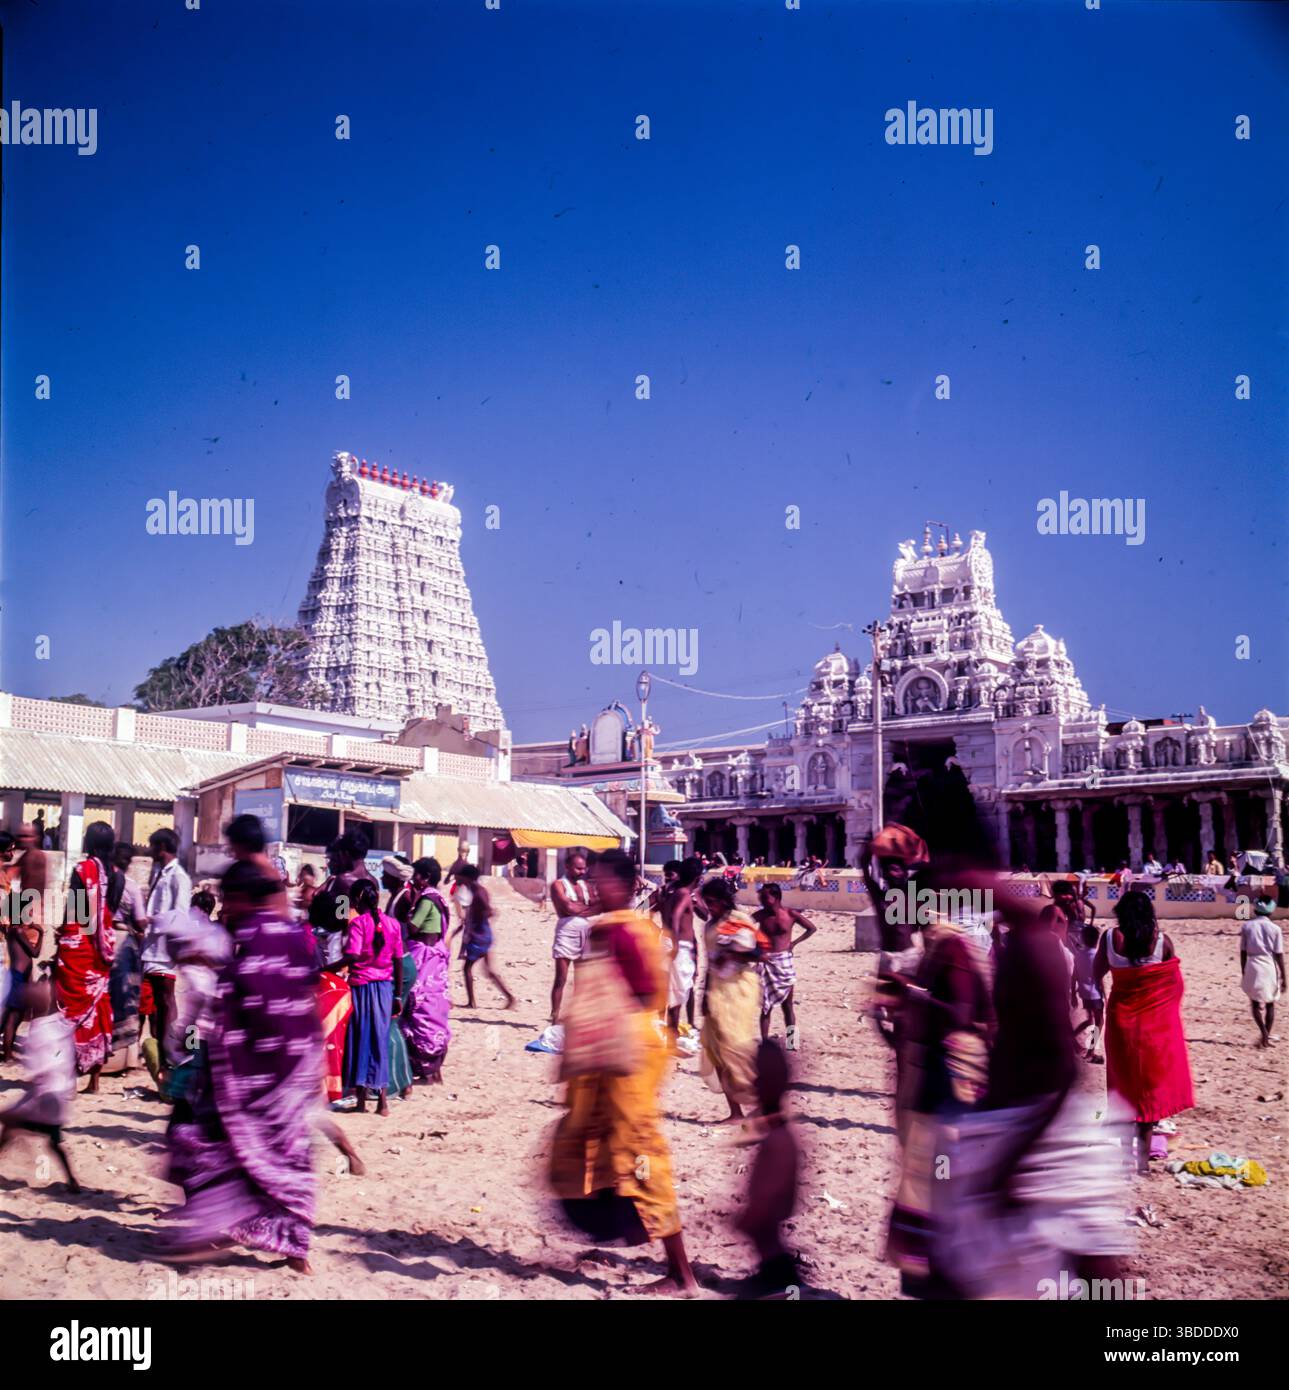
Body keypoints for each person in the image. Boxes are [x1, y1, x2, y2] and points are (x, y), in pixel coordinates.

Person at [548, 848, 699, 1296]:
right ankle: (626, 1232)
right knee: (599, 1145)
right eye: (591, 879)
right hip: (607, 1054)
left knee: (642, 1155)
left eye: (600, 880)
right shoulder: (608, 929)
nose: (594, 887)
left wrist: (605, 1029)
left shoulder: (626, 931)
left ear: (627, 884)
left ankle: (682, 1275)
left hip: (627, 1056)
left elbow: (650, 992)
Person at [161, 861, 322, 1272]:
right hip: (295, 1064)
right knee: (287, 1158)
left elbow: (242, 998)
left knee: (225, 1150)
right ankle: (294, 1247)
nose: (224, 909)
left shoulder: (248, 935)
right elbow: (302, 985)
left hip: (258, 1070)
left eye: (227, 901)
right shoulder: (285, 930)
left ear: (239, 898)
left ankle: (206, 1234)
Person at [884, 877, 994, 1298]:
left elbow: (960, 1013)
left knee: (934, 1188)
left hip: (950, 1085)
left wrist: (911, 994)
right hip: (933, 1080)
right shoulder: (932, 946)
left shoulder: (951, 946)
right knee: (925, 1186)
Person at [1094, 889, 1195, 1173]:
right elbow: (1175, 987)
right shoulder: (1162, 942)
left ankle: (1126, 1158)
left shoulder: (1110, 938)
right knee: (1148, 1092)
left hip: (1120, 1023)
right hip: (1154, 1028)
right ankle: (1142, 1165)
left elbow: (1094, 974)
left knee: (1123, 1089)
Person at [733, 1039, 801, 1299]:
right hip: (771, 1262)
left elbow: (762, 1210)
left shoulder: (778, 1143)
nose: (755, 1083)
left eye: (761, 1076)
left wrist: (741, 1219)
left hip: (775, 1269)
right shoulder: (777, 1134)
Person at [0, 977, 81, 1193]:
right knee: (54, 1142)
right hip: (59, 1097)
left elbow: (37, 1070)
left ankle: (71, 1180)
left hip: (43, 1099)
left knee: (9, 1123)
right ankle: (72, 1180)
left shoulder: (37, 1031)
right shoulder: (58, 1023)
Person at [54, 821, 118, 1093]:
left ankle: (69, 1078)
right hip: (103, 948)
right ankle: (94, 1081)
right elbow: (109, 912)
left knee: (70, 1009)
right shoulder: (116, 874)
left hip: (79, 948)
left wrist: (63, 936)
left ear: (88, 842)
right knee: (99, 1006)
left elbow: (78, 912)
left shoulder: (82, 870)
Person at [697, 876, 767, 1121]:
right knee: (715, 1049)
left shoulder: (739, 921)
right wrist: (704, 995)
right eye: (707, 902)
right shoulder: (709, 925)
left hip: (738, 990)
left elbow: (758, 954)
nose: (709, 907)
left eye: (713, 902)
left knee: (736, 1048)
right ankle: (735, 1111)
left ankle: (762, 1101)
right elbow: (709, 962)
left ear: (725, 901)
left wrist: (731, 953)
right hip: (716, 990)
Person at [340, 878, 404, 1115]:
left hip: (361, 983)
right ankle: (382, 1100)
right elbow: (398, 959)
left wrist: (327, 968)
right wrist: (397, 994)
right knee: (379, 1040)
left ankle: (360, 1099)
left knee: (359, 1039)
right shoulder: (393, 924)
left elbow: (351, 952)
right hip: (384, 987)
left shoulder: (354, 917)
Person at [141, 827, 191, 1070]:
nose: (149, 851)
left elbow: (179, 915)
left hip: (163, 947)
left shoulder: (178, 876)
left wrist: (151, 921)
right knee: (157, 1004)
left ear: (161, 848)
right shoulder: (159, 873)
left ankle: (171, 1056)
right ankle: (162, 1055)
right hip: (151, 946)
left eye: (152, 846)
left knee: (166, 1001)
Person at [401, 858, 452, 1083]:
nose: (414, 879)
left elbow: (412, 927)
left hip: (424, 956)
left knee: (418, 1005)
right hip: (433, 956)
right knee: (429, 1007)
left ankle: (424, 1066)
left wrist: (405, 915)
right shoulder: (439, 898)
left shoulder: (425, 900)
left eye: (417, 875)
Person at [752, 882, 816, 1046]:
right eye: (761, 897)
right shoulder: (760, 916)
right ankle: (765, 1045)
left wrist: (794, 943)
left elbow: (811, 928)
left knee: (787, 1006)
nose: (762, 900)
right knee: (766, 1007)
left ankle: (791, 1042)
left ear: (776, 897)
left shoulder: (790, 914)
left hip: (784, 961)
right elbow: (744, 929)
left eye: (765, 897)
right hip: (766, 961)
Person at [107, 842, 148, 1073]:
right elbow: (140, 919)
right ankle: (124, 1059)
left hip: (103, 939)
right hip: (123, 939)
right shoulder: (131, 887)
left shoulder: (100, 882)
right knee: (126, 999)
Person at [659, 856, 706, 1050]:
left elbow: (705, 914)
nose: (668, 879)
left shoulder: (686, 894)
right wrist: (675, 942)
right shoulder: (674, 893)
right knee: (676, 992)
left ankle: (684, 1027)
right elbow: (675, 915)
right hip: (677, 945)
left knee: (682, 989)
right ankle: (671, 1034)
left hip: (683, 945)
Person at [309, 831, 374, 969]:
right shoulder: (373, 881)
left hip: (342, 946)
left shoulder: (344, 880)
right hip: (365, 945)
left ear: (345, 854)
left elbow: (340, 917)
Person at [455, 864, 516, 1009]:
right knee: (489, 971)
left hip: (479, 935)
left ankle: (472, 1002)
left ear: (467, 877)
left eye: (460, 876)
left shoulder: (478, 892)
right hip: (483, 933)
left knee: (467, 968)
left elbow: (489, 911)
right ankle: (509, 997)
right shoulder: (473, 890)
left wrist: (476, 919)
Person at [549, 849, 598, 1028]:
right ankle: (554, 1016)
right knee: (561, 978)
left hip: (585, 932)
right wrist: (585, 907)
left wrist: (581, 907)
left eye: (584, 869)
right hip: (566, 932)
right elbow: (569, 908)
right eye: (578, 869)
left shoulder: (585, 886)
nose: (582, 872)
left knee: (581, 979)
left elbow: (597, 905)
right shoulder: (558, 885)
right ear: (567, 867)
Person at [1240, 898, 1285, 1048]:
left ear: (1255, 910)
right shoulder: (1276, 929)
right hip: (1269, 965)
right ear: (1271, 911)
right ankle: (1266, 1036)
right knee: (1270, 1003)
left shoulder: (1247, 926)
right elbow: (1279, 954)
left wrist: (1244, 970)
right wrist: (1284, 975)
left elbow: (1243, 952)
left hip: (1253, 964)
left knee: (1254, 1002)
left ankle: (1264, 1034)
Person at [1070, 923, 1105, 1063]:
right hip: (1095, 993)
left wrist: (1073, 993)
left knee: (1089, 1019)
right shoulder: (1097, 955)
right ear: (1097, 940)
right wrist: (1105, 994)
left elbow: (1074, 975)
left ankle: (1071, 1037)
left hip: (1083, 992)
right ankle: (1090, 1052)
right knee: (1099, 1022)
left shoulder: (1078, 955)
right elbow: (1099, 976)